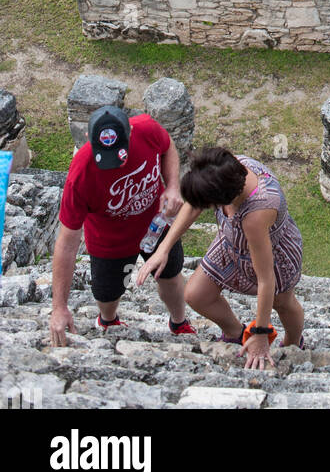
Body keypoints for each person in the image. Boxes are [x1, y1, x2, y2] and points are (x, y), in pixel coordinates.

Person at [137, 146, 304, 371]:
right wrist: (163, 249)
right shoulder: (227, 171)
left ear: (222, 200)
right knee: (196, 294)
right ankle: (236, 333)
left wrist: (261, 334)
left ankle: (294, 344)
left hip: (273, 255)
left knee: (282, 303)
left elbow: (266, 279)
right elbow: (194, 204)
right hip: (231, 244)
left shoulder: (256, 214)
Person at [50, 104, 195, 345]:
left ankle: (178, 322)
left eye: (119, 154)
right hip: (109, 242)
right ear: (89, 138)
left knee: (170, 273)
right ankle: (108, 320)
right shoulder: (80, 175)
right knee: (108, 293)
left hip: (156, 224)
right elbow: (66, 244)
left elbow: (167, 145)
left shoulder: (146, 129)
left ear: (130, 132)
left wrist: (171, 185)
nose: (115, 165)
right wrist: (59, 307)